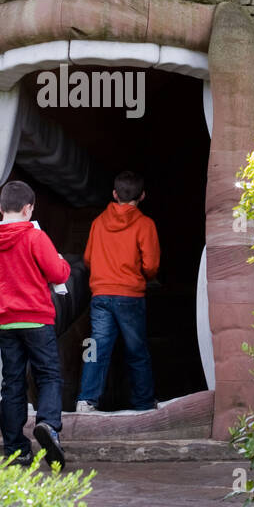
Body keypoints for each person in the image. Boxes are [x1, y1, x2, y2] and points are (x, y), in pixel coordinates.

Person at [0, 179, 70, 466]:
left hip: (7, 324)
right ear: (29, 209)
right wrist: (62, 262)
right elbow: (58, 274)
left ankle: (16, 448)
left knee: (12, 383)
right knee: (48, 375)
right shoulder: (35, 238)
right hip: (37, 320)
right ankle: (48, 425)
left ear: (0, 208)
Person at [76, 170, 160, 413]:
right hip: (130, 296)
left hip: (101, 296)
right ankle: (143, 403)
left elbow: (88, 258)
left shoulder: (98, 222)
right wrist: (143, 277)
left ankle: (86, 399)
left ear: (114, 194)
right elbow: (152, 265)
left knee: (95, 347)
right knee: (137, 350)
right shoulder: (145, 224)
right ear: (142, 196)